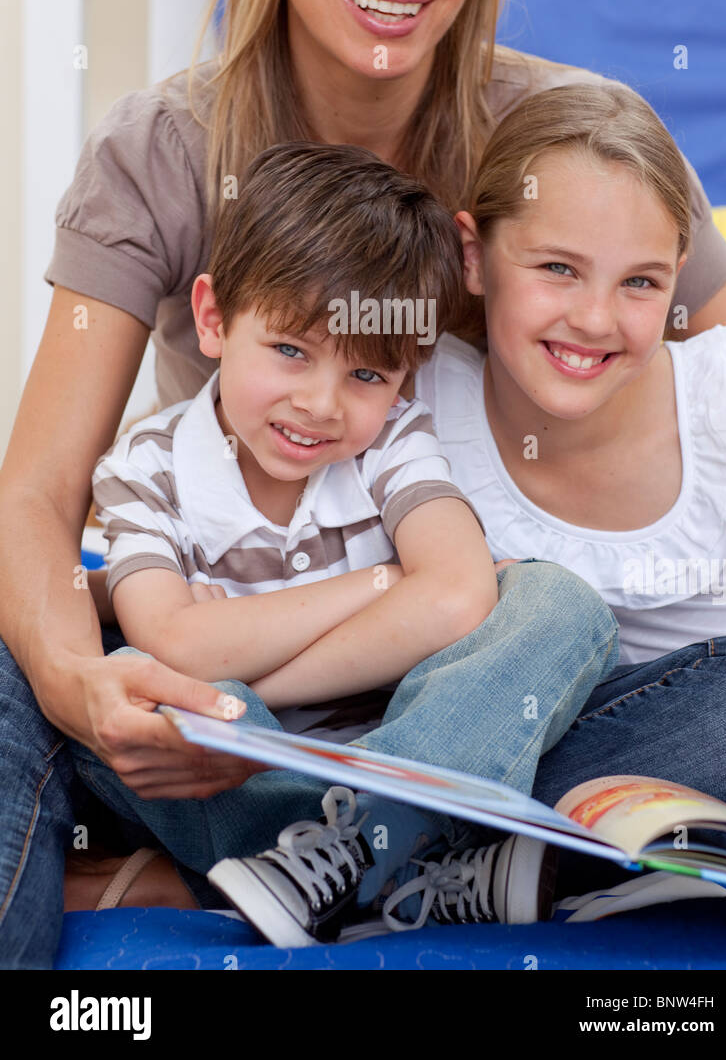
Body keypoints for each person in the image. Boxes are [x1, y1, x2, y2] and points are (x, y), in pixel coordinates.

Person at [1, 0, 726, 966]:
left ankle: (317, 864)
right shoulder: (158, 152)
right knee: (20, 641)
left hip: (502, 713)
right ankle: (401, 862)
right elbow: (35, 492)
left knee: (598, 639)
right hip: (239, 714)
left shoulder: (567, 142)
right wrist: (88, 685)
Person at [66, 140, 617, 947]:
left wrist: (249, 646)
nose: (321, 404)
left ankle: (349, 858)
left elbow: (461, 593)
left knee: (557, 602)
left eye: (366, 376)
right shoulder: (144, 469)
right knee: (134, 682)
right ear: (214, 318)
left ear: (407, 376)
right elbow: (175, 641)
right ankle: (413, 868)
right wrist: (385, 583)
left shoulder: (392, 440)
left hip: (407, 751)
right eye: (290, 351)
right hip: (246, 770)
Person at [404, 81, 726, 907]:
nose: (596, 320)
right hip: (500, 754)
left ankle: (471, 864)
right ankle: (463, 859)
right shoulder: (420, 411)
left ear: (679, 279)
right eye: (558, 269)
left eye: (639, 283)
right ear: (473, 256)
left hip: (700, 748)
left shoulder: (718, 411)